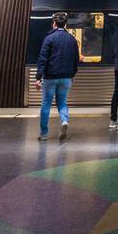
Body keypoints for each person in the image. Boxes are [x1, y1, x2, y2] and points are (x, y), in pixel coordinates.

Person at [36, 12, 79, 140]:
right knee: (62, 102)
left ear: (54, 23)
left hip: (50, 77)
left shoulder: (49, 38)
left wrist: (38, 77)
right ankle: (64, 120)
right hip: (66, 77)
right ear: (65, 24)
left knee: (46, 104)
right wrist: (72, 74)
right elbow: (76, 59)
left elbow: (43, 58)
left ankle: (44, 134)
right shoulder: (72, 39)